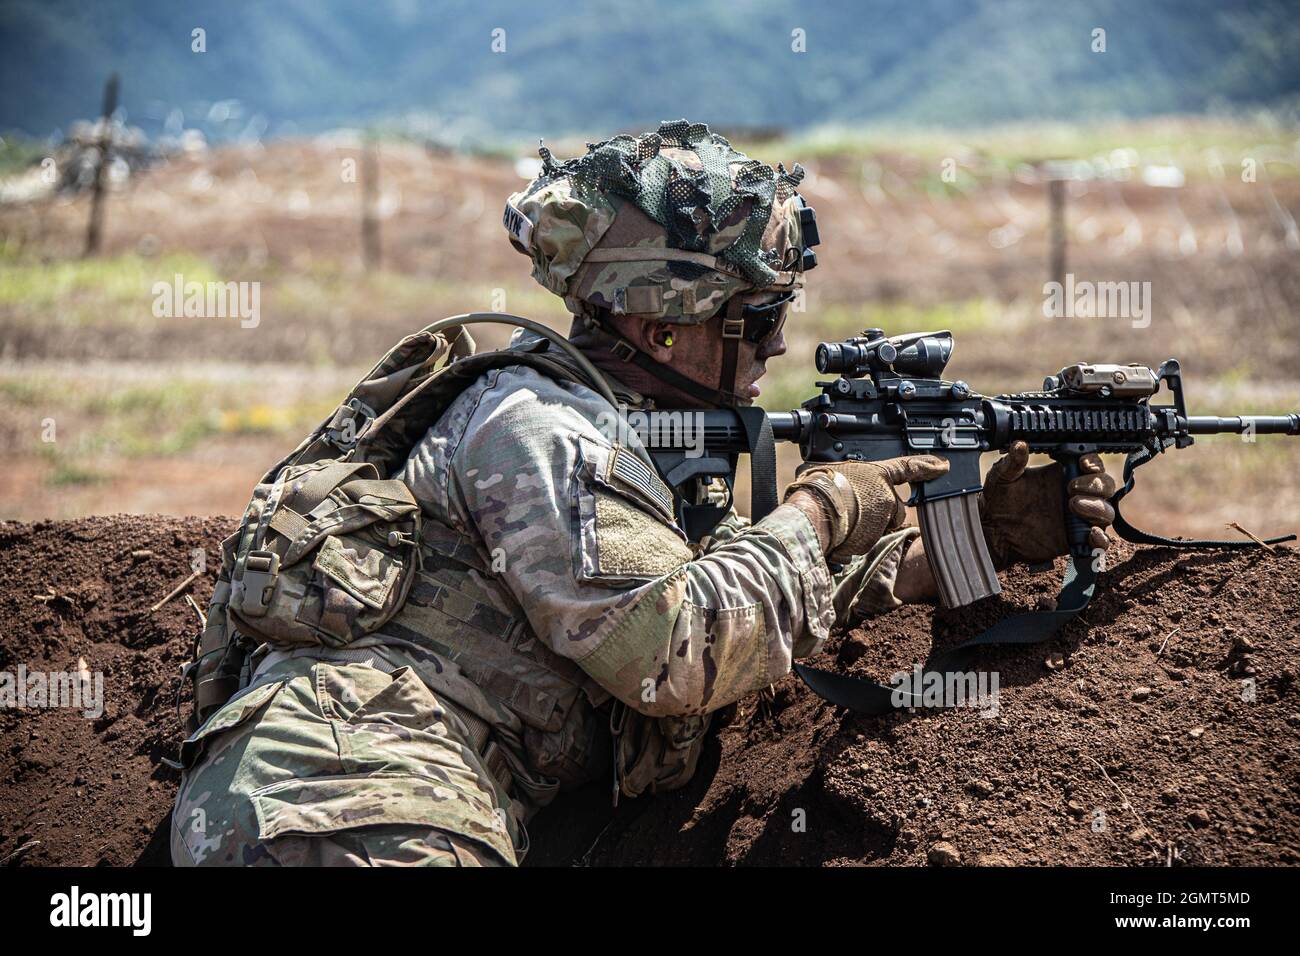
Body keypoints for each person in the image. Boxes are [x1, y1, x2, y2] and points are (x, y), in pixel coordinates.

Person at [171, 120, 1115, 867]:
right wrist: (820, 508)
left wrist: (969, 543)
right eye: (760, 317)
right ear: (664, 325)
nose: (779, 347)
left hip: (360, 795)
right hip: (349, 795)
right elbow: (675, 650)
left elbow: (720, 583)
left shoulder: (608, 431)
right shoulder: (539, 429)